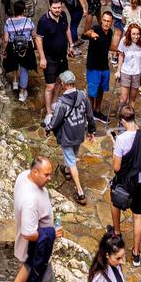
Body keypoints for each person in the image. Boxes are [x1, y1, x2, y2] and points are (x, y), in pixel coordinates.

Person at [4, 155, 61, 282]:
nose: (50, 178)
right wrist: (51, 233)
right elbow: (29, 233)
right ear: (35, 172)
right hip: (37, 248)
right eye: (46, 175)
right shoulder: (30, 200)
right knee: (43, 281)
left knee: (28, 266)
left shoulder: (24, 176)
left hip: (31, 250)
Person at [110, 104, 141, 266]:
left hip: (124, 181)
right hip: (140, 181)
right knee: (137, 214)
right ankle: (136, 253)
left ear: (122, 120)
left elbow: (116, 167)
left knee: (115, 202)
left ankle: (116, 234)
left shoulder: (120, 140)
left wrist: (113, 150)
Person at [49, 69, 95, 205]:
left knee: (71, 160)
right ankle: (67, 170)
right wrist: (91, 130)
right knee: (71, 156)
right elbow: (90, 115)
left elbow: (56, 120)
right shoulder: (83, 95)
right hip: (79, 131)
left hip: (67, 134)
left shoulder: (62, 102)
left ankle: (80, 193)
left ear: (63, 84)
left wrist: (48, 127)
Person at [35, 0, 76, 125]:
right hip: (49, 57)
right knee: (50, 86)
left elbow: (68, 30)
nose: (57, 10)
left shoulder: (63, 16)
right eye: (55, 8)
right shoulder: (43, 21)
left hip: (62, 56)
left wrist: (71, 45)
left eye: (59, 7)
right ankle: (48, 113)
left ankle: (54, 102)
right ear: (49, 7)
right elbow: (38, 39)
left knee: (60, 81)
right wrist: (42, 57)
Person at [82, 7, 114, 121]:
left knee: (101, 89)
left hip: (104, 66)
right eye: (104, 20)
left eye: (108, 21)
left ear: (111, 22)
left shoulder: (110, 32)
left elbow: (108, 45)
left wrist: (120, 50)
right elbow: (87, 32)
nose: (106, 23)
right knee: (92, 91)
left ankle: (97, 111)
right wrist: (91, 34)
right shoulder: (96, 29)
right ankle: (90, 113)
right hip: (93, 66)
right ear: (102, 21)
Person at [3, 0, 36, 102]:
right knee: (24, 68)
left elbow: (5, 39)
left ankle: (15, 81)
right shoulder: (29, 21)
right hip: (26, 47)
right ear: (24, 10)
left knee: (14, 63)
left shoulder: (8, 22)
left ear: (14, 10)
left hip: (13, 46)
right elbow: (33, 35)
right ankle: (22, 93)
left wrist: (4, 50)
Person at [117, 22, 141, 107]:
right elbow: (121, 55)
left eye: (138, 34)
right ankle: (121, 117)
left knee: (133, 98)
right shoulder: (124, 40)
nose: (136, 36)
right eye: (133, 34)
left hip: (137, 73)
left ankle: (130, 117)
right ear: (129, 34)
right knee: (123, 99)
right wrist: (118, 71)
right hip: (125, 72)